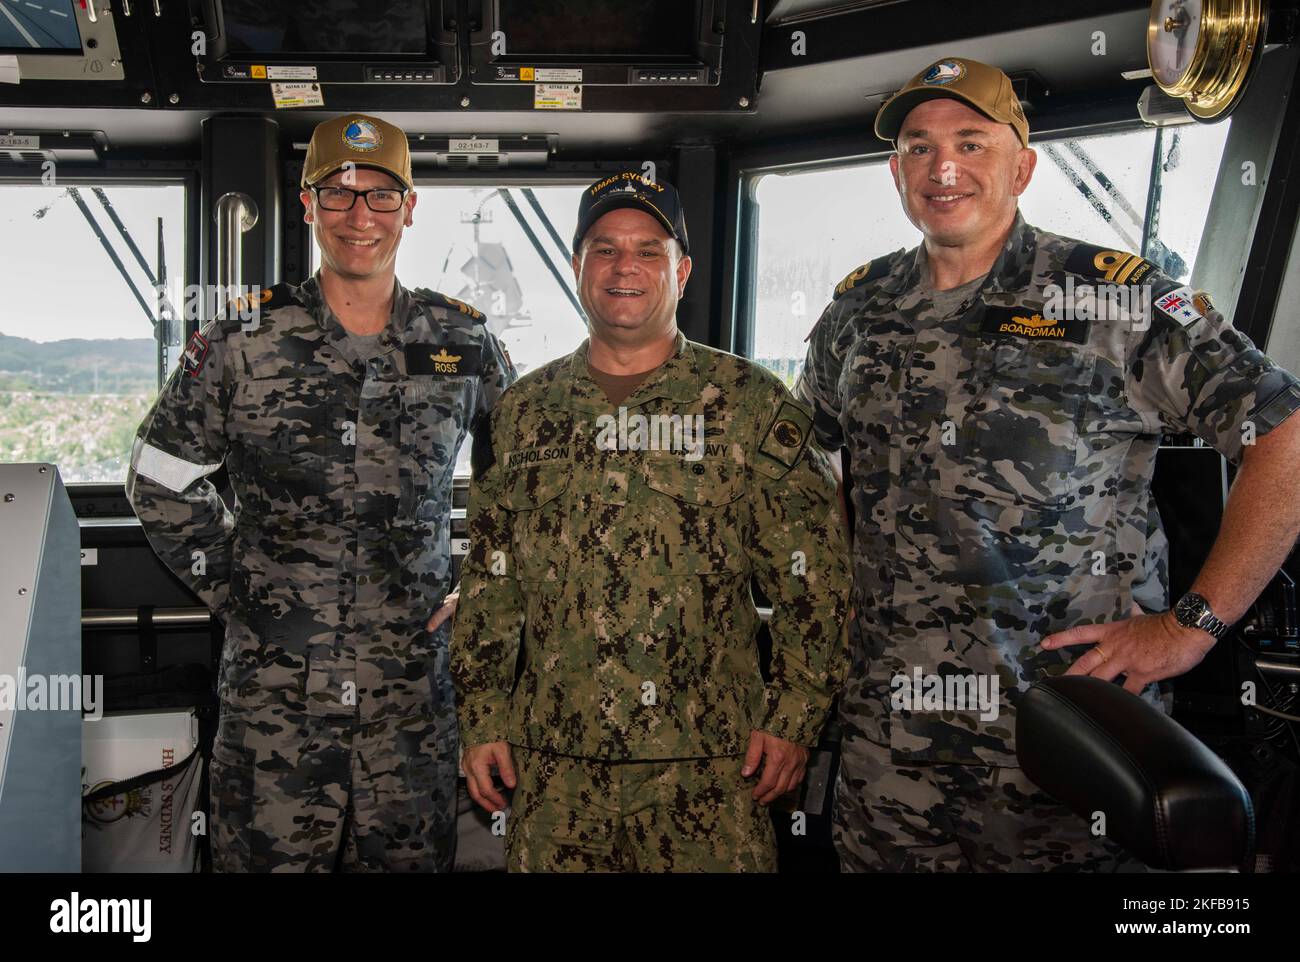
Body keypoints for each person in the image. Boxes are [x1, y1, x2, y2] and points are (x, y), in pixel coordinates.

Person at [797, 57, 1300, 872]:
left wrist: (1192, 628)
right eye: (919, 148)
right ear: (896, 172)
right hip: (891, 738)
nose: (943, 167)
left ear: (1022, 165)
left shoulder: (1112, 300)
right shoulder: (860, 309)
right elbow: (823, 457)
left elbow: (1286, 436)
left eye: (971, 142)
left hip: (1065, 728)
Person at [127, 113, 516, 871]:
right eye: (337, 194)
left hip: (409, 702)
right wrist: (239, 588)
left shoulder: (462, 341)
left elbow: (524, 487)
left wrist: (483, 587)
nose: (358, 216)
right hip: (276, 704)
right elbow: (159, 478)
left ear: (409, 207)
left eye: (379, 195)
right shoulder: (242, 340)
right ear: (307, 204)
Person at [451, 172, 852, 872]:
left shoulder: (750, 405)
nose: (624, 266)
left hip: (710, 771)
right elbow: (492, 585)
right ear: (578, 267)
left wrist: (792, 722)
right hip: (554, 773)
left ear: (683, 269)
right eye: (603, 249)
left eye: (648, 249)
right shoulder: (522, 412)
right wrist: (482, 718)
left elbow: (814, 582)